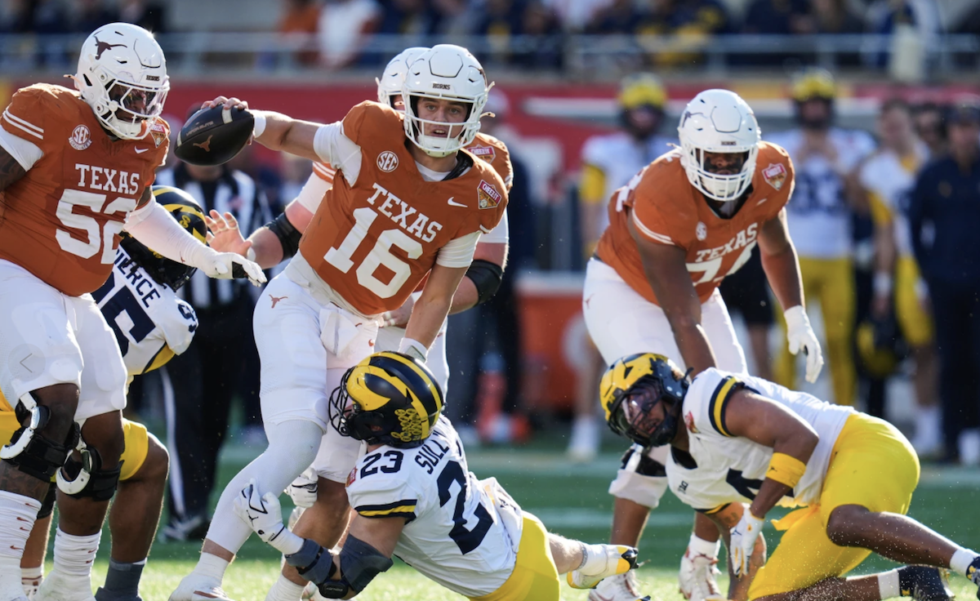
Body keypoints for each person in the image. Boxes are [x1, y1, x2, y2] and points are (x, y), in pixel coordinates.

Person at [171, 44, 508, 601]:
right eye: (430, 104)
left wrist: (409, 360)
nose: (440, 119)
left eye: (455, 108)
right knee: (297, 442)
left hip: (367, 330)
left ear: (475, 112)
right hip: (301, 300)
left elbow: (438, 296)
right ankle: (203, 580)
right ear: (403, 102)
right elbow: (290, 140)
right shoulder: (369, 132)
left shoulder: (480, 190)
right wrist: (250, 120)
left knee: (333, 494)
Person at [0, 23, 264, 601]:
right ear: (93, 82)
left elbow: (137, 212)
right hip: (14, 272)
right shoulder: (45, 109)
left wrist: (206, 259)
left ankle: (69, 583)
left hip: (71, 293)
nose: (139, 108)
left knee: (104, 438)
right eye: (127, 94)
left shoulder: (147, 142)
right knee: (54, 409)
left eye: (149, 97)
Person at [581, 88, 822, 601]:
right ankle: (613, 578)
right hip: (626, 290)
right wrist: (710, 397)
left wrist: (796, 314)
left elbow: (774, 243)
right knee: (663, 417)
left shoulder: (771, 171)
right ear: (688, 151)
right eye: (713, 156)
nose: (724, 166)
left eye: (735, 156)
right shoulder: (662, 190)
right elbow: (678, 314)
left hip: (699, 294)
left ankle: (698, 562)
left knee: (733, 428)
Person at [235, 351, 645, 601]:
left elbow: (345, 582)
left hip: (511, 592)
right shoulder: (437, 427)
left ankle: (595, 560)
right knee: (552, 550)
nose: (347, 410)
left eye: (358, 406)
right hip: (516, 528)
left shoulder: (387, 481)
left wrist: (276, 533)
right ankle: (598, 557)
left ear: (382, 423)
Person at [600, 352, 980, 601]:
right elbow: (745, 548)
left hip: (861, 444)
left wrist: (756, 513)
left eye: (642, 399)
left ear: (667, 384)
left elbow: (800, 437)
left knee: (842, 521)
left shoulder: (704, 398)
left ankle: (972, 565)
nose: (640, 416)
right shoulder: (684, 478)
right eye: (626, 415)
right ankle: (912, 580)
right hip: (827, 502)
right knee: (769, 599)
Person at [1, 185, 203, 601]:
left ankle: (28, 581)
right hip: (74, 418)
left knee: (49, 449)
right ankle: (117, 592)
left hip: (22, 396)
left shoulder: (75, 247)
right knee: (141, 461)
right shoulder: (174, 324)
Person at [155, 133, 273, 543]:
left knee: (217, 417)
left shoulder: (245, 189)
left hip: (230, 316)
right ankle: (185, 514)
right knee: (184, 411)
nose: (206, 155)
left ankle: (198, 504)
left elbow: (264, 255)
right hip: (173, 314)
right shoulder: (159, 187)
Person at [571, 72, 675, 462]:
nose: (644, 117)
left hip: (655, 262)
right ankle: (583, 428)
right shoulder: (604, 149)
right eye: (638, 109)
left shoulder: (670, 152)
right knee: (595, 345)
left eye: (650, 109)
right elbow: (590, 204)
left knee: (657, 349)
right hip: (612, 261)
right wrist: (589, 252)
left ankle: (651, 429)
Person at [768, 68, 875, 407]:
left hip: (836, 255)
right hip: (790, 256)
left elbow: (863, 202)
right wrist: (794, 162)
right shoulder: (780, 145)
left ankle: (846, 414)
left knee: (840, 340)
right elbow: (763, 201)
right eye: (808, 103)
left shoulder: (853, 145)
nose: (814, 111)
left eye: (820, 103)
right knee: (787, 342)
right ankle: (780, 413)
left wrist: (837, 161)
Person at [857, 99, 939, 456]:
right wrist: (883, 285)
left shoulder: (935, 158)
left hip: (950, 258)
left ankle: (959, 427)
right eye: (886, 126)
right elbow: (886, 230)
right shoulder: (877, 171)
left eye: (898, 125)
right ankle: (930, 428)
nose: (892, 132)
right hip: (909, 263)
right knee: (922, 347)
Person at [908, 100, 980, 465]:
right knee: (951, 360)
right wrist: (927, 274)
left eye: (972, 127)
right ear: (949, 132)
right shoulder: (934, 174)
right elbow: (915, 227)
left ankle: (974, 437)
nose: (967, 134)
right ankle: (953, 439)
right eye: (960, 127)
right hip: (947, 282)